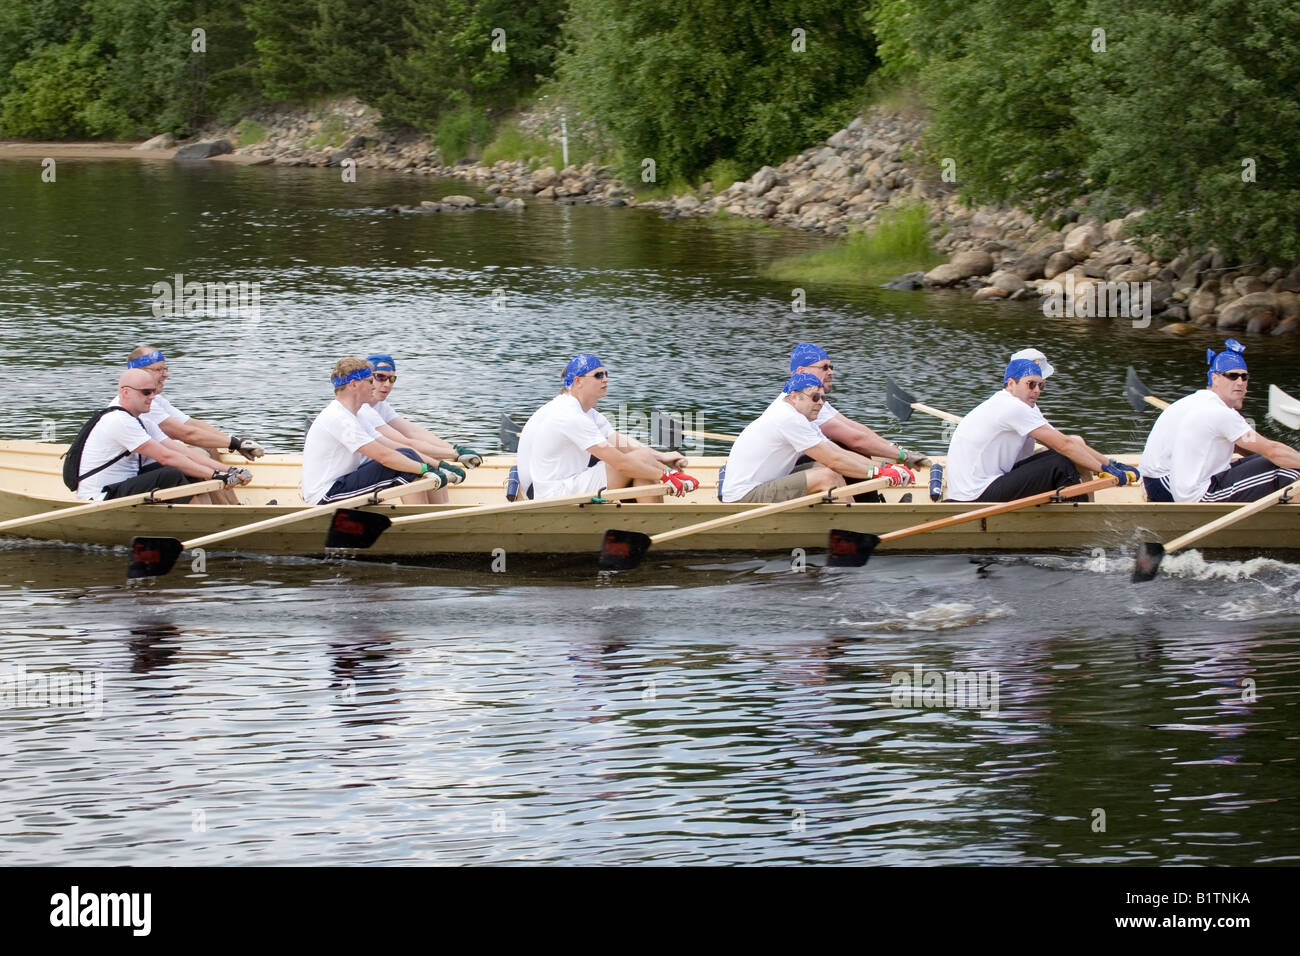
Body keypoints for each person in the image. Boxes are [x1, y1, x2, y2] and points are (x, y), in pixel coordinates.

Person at [945, 357, 1137, 501]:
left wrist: (1111, 464)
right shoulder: (1012, 407)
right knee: (1062, 460)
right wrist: (1103, 469)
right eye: (1031, 384)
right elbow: (1063, 446)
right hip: (975, 494)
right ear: (1011, 384)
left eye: (1041, 385)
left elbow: (1067, 441)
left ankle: (1085, 507)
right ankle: (1078, 516)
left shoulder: (1019, 404)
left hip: (987, 481)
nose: (1037, 390)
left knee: (1073, 446)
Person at [515, 353, 699, 501]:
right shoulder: (569, 414)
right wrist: (667, 475)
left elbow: (616, 440)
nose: (605, 380)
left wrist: (660, 456)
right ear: (577, 381)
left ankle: (651, 522)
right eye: (598, 375)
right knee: (638, 462)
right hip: (555, 494)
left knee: (641, 467)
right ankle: (657, 524)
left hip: (565, 481)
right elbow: (621, 463)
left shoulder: (585, 411)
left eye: (606, 374)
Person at [1139, 339, 1300, 502]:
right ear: (1215, 378)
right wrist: (1278, 457)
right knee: (1289, 471)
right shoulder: (1220, 412)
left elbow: (1254, 448)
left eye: (1244, 377)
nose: (1240, 382)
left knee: (1273, 459)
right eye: (1232, 376)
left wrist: (1273, 456)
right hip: (1175, 488)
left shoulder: (1198, 401)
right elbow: (1272, 450)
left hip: (1154, 483)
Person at [721, 373, 913, 503]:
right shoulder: (788, 418)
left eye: (823, 398)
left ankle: (854, 512)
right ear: (795, 397)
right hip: (744, 496)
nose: (820, 403)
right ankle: (856, 528)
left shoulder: (798, 414)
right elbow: (835, 460)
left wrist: (886, 468)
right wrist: (879, 473)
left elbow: (836, 452)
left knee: (827, 468)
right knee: (826, 476)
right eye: (814, 397)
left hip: (765, 482)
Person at [73, 368, 252, 503]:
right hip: (101, 495)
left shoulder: (143, 420)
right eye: (146, 392)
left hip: (124, 483)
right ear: (125, 392)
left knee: (188, 467)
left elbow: (182, 452)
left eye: (153, 391)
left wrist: (227, 471)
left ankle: (210, 516)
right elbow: (166, 457)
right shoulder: (118, 420)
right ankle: (203, 522)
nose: (152, 396)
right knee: (170, 474)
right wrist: (215, 475)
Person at [126, 346, 266, 505]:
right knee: (198, 457)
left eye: (166, 368)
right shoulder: (140, 405)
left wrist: (235, 442)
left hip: (153, 462)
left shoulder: (154, 400)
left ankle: (234, 506)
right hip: (136, 475)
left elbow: (190, 423)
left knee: (209, 448)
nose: (166, 374)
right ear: (139, 372)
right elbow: (186, 434)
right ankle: (225, 510)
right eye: (159, 369)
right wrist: (233, 445)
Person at [301, 358, 447, 505]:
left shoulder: (357, 414)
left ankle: (434, 512)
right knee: (405, 468)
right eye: (370, 381)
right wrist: (424, 469)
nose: (374, 387)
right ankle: (420, 522)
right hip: (325, 495)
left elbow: (391, 446)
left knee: (408, 455)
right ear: (354, 385)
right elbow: (384, 456)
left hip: (342, 482)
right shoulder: (339, 418)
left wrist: (438, 465)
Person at [355, 353, 484, 503]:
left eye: (392, 379)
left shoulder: (379, 405)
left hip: (372, 466)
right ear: (367, 379)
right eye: (380, 377)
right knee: (413, 463)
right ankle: (421, 518)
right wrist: (453, 455)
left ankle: (441, 509)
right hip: (354, 475)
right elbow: (407, 444)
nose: (387, 384)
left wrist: (455, 449)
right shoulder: (364, 410)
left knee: (427, 457)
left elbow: (413, 431)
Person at [786, 344, 931, 469]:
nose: (831, 372)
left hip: (800, 463)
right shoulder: (803, 404)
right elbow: (856, 440)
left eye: (831, 367)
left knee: (853, 451)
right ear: (801, 372)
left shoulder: (812, 398)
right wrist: (904, 456)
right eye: (824, 367)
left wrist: (900, 450)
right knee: (852, 449)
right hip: (787, 474)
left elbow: (856, 428)